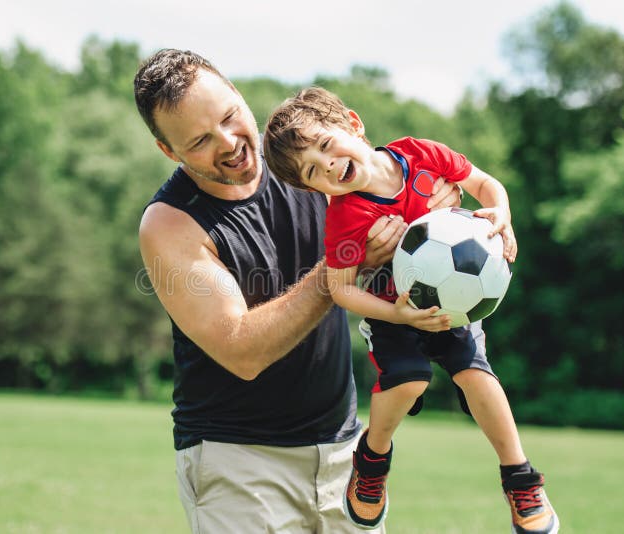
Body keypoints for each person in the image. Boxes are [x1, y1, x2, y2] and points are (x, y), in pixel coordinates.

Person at [133, 49, 462, 533]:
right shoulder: (170, 224)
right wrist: (339, 270)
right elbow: (241, 350)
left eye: (230, 117)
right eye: (201, 140)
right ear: (170, 151)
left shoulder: (311, 165)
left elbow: (393, 189)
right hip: (239, 463)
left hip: (346, 455)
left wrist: (434, 204)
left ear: (241, 97)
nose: (229, 143)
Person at [263, 86, 559, 533]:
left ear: (353, 123)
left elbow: (483, 183)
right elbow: (340, 289)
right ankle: (371, 460)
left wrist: (501, 213)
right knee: (410, 379)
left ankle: (520, 477)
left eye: (326, 145)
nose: (327, 164)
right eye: (313, 171)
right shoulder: (346, 218)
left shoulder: (420, 154)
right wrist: (399, 315)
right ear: (313, 189)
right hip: (392, 310)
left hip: (454, 304)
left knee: (477, 375)